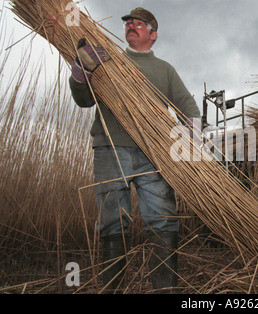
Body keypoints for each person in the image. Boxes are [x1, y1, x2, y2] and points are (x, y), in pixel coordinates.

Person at [69, 7, 201, 293]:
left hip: (153, 155)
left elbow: (187, 106)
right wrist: (81, 72)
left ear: (153, 35)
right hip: (110, 149)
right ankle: (113, 289)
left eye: (139, 24)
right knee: (112, 223)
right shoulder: (108, 60)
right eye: (129, 22)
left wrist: (192, 138)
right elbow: (83, 101)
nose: (131, 25)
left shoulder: (165, 69)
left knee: (163, 221)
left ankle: (165, 289)